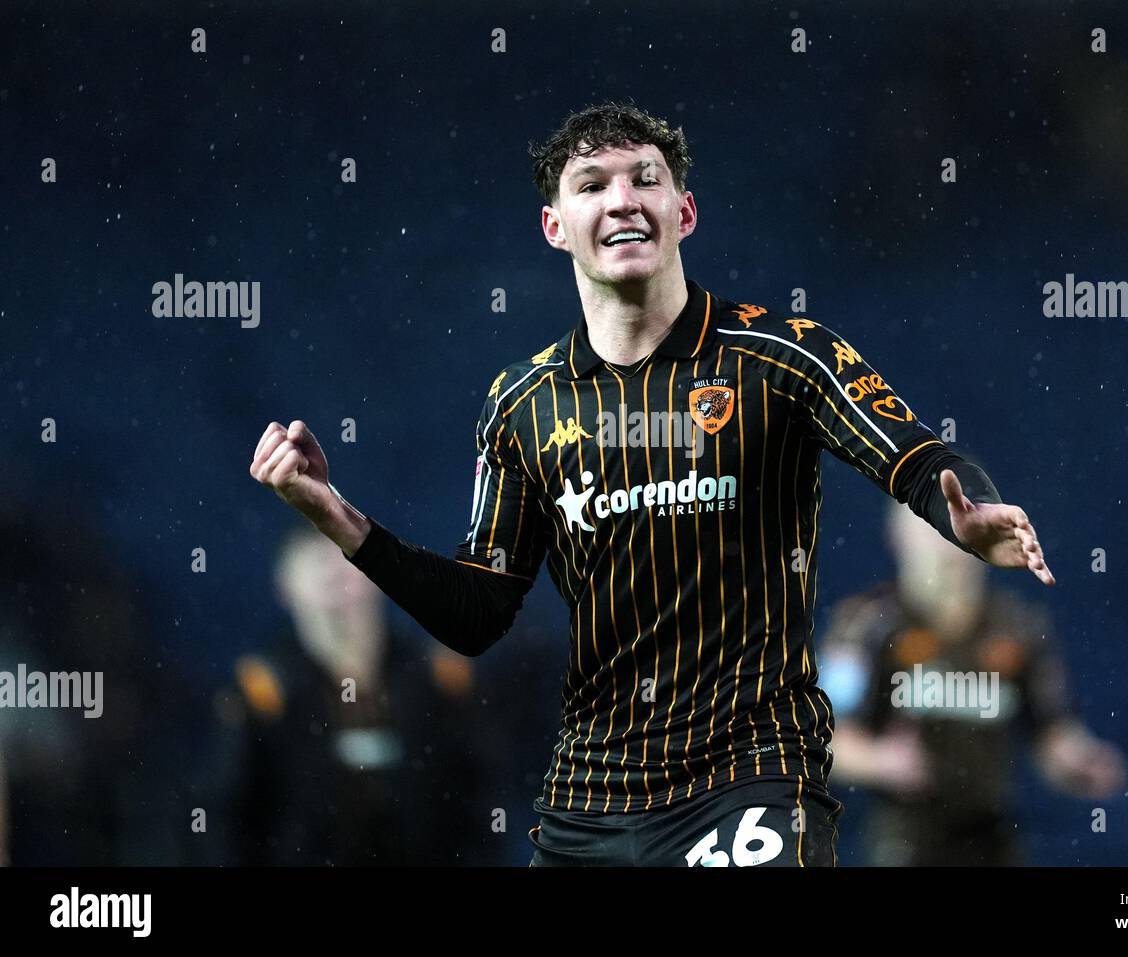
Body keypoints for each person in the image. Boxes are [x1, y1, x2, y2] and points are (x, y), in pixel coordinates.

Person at [249, 100, 1055, 867]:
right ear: (555, 227)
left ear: (684, 212)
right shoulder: (522, 404)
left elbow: (914, 456)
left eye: (645, 178)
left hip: (752, 782)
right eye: (592, 185)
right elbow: (478, 610)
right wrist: (337, 517)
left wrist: (968, 512)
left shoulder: (782, 356)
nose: (623, 199)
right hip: (592, 802)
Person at [822, 498, 1126, 865]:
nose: (944, 544)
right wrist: (879, 761)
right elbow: (823, 737)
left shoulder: (1017, 626)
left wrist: (1080, 763)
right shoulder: (868, 625)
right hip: (903, 842)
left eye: (952, 528)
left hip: (993, 840)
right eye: (928, 528)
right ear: (898, 538)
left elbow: (1051, 734)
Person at [216, 525, 490, 865]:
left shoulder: (440, 680)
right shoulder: (262, 695)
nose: (335, 575)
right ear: (285, 587)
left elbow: (480, 804)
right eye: (317, 564)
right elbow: (226, 816)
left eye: (346, 558)